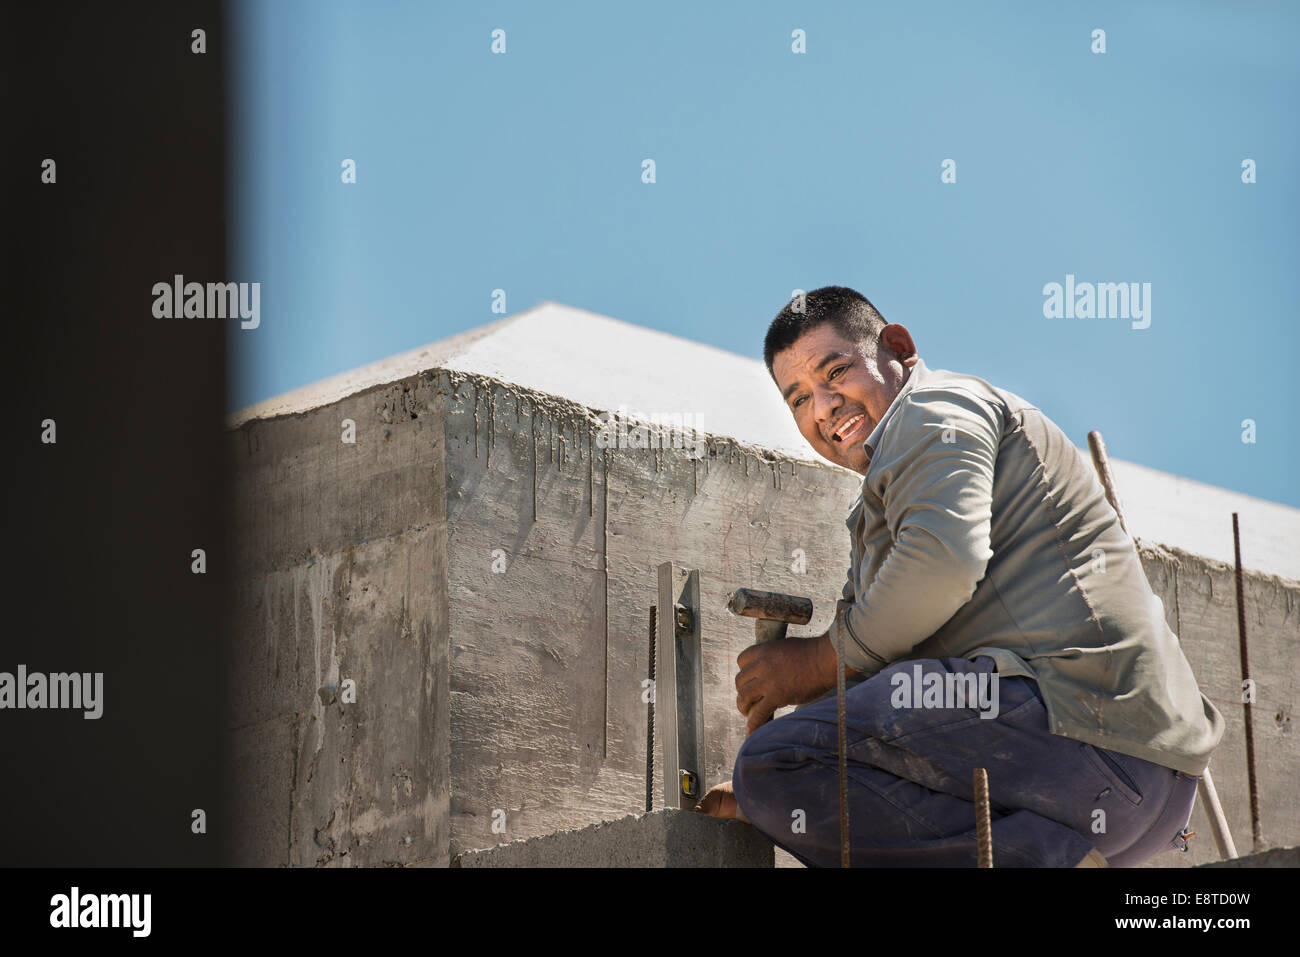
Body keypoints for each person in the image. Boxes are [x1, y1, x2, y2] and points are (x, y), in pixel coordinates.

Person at [694, 286, 1224, 867]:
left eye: (837, 371)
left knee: (779, 762)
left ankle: (1037, 859)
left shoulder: (936, 412)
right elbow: (867, 675)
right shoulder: (881, 509)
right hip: (1142, 795)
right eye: (798, 399)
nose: (823, 407)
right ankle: (1050, 856)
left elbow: (944, 562)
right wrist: (766, 796)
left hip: (1085, 737)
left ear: (898, 349)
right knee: (781, 766)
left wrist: (812, 676)